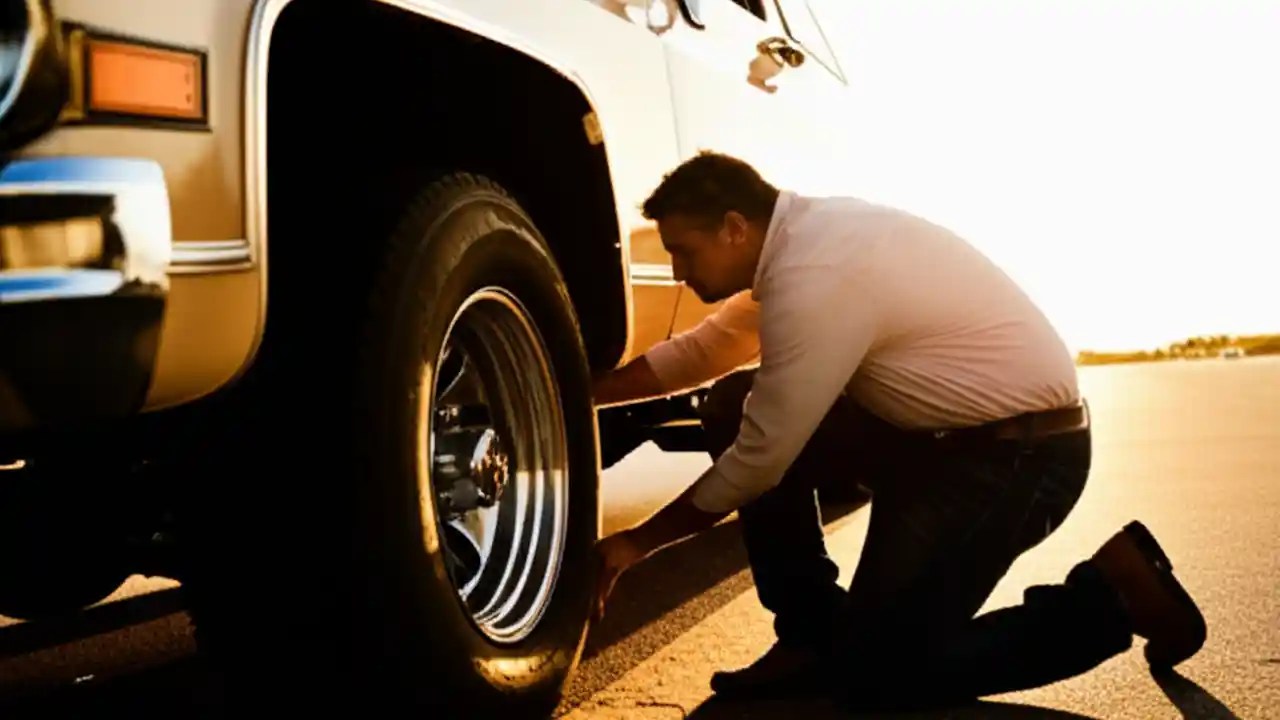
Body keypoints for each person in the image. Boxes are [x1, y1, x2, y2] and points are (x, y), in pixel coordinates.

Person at [590, 151, 1207, 711]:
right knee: (732, 399)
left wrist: (633, 544)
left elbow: (760, 461)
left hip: (1020, 459)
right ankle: (812, 633)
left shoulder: (818, 270)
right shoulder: (798, 246)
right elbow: (705, 352)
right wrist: (582, 395)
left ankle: (1110, 600)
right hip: (935, 445)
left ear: (734, 227)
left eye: (685, 251)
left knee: (882, 676)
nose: (676, 272)